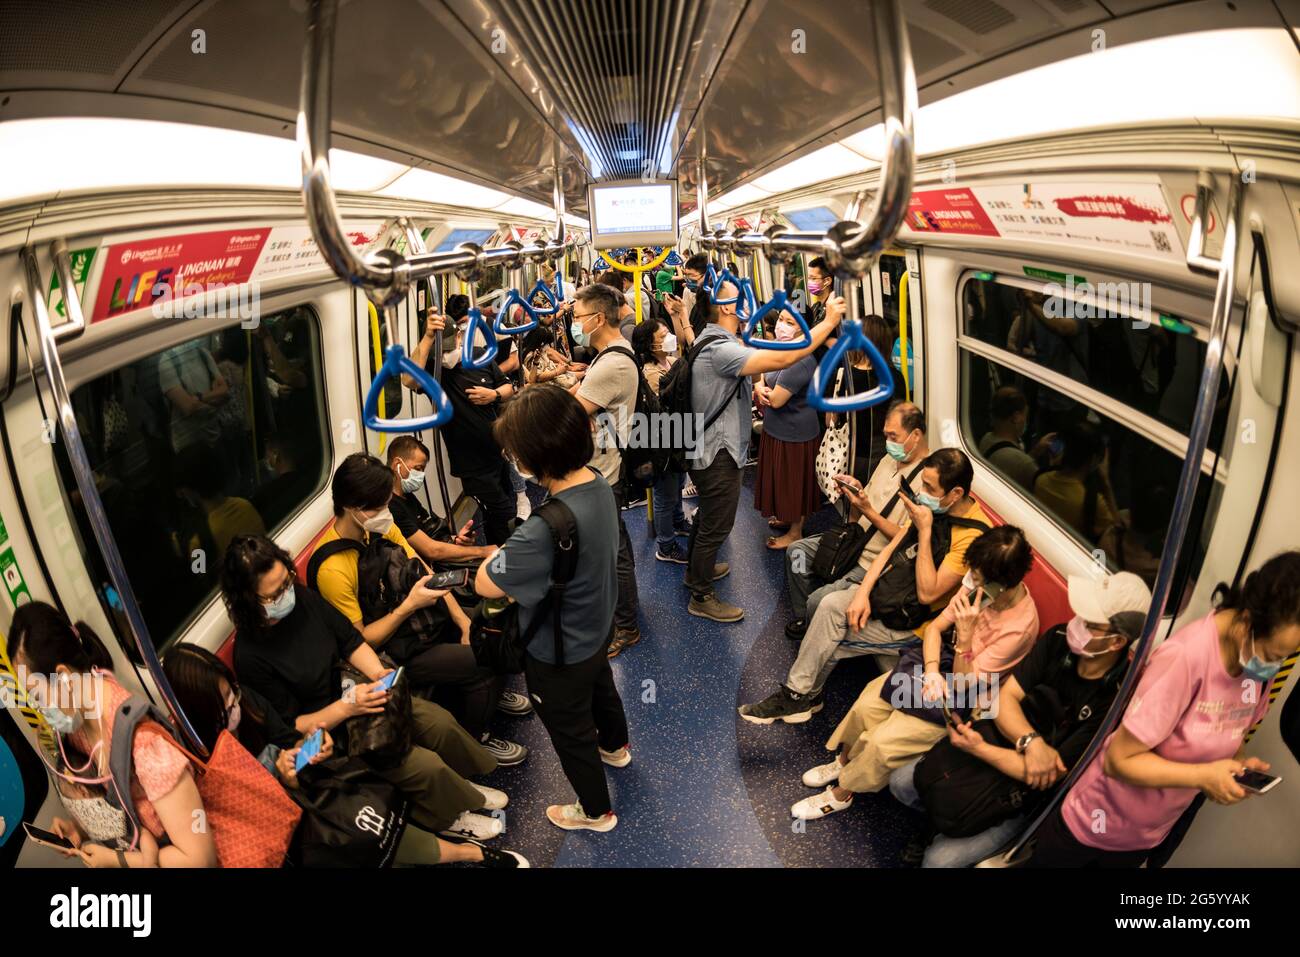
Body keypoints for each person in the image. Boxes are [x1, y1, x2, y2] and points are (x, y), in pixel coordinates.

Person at [224, 535, 506, 842]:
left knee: (439, 722)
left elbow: (349, 640)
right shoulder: (251, 657)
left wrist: (378, 674)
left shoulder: (302, 599)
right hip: (323, 734)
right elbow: (288, 727)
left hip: (354, 690)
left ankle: (460, 785)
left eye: (287, 581)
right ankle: (450, 815)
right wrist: (347, 707)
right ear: (249, 600)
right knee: (422, 766)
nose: (286, 593)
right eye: (274, 594)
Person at [1029, 550, 1300, 867]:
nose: (1273, 665)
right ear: (1246, 622)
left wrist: (1237, 765)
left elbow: (1233, 731)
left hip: (1145, 835)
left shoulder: (1257, 671)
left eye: (1284, 657)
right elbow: (1119, 760)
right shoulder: (1185, 658)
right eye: (1273, 654)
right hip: (1095, 826)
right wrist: (1203, 777)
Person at [162, 643, 528, 867]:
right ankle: (466, 851)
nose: (235, 705)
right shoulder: (198, 759)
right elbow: (246, 807)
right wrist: (284, 778)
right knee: (366, 828)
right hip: (282, 817)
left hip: (307, 781)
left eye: (233, 695)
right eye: (225, 704)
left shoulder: (248, 703)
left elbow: (288, 736)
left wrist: (310, 748)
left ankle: (458, 823)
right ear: (200, 712)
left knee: (377, 799)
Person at [889, 571, 1151, 867]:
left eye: (1089, 624)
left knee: (938, 862)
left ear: (1116, 642)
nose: (1076, 625)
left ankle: (956, 823)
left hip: (1018, 787)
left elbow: (1046, 773)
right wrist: (1032, 743)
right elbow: (1006, 700)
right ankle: (940, 820)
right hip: (999, 736)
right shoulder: (1058, 640)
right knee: (900, 783)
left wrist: (980, 749)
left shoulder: (1113, 700)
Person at [789, 524, 1038, 821]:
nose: (970, 581)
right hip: (941, 665)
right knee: (869, 703)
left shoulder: (1019, 628)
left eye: (977, 578)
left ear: (1002, 585)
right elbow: (935, 629)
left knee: (883, 743)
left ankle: (843, 792)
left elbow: (964, 684)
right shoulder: (979, 586)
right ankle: (844, 760)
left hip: (968, 694)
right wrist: (931, 671)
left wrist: (965, 638)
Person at [475, 386, 631, 832]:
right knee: (603, 691)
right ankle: (616, 748)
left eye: (515, 451)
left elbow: (487, 583)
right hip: (596, 628)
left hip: (557, 652)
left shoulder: (543, 530)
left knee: (570, 731)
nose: (512, 459)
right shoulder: (597, 483)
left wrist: (494, 556)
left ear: (536, 456)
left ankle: (595, 812)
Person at [741, 448, 990, 722]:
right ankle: (801, 696)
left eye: (930, 488)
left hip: (915, 621)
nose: (922, 493)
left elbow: (928, 593)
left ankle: (800, 696)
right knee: (829, 604)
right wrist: (861, 593)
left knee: (828, 638)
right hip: (892, 592)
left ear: (955, 493)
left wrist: (926, 531)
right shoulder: (937, 506)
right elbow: (891, 550)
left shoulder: (973, 537)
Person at [311, 453, 526, 764]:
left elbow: (424, 571)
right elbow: (360, 641)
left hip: (419, 619)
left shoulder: (377, 528)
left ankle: (489, 695)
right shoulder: (332, 568)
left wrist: (461, 621)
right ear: (353, 508)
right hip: (393, 649)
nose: (386, 513)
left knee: (492, 626)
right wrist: (409, 605)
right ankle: (475, 739)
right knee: (484, 660)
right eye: (379, 507)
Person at [683, 282, 845, 623]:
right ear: (727, 307)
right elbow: (786, 356)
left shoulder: (714, 340)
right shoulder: (721, 350)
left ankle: (699, 569)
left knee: (708, 516)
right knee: (717, 524)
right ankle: (701, 594)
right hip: (718, 452)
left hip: (708, 446)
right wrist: (829, 321)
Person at [12, 602, 219, 867]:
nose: (41, 709)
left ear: (63, 677)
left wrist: (116, 860)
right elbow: (119, 806)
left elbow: (200, 860)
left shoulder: (144, 745)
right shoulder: (78, 727)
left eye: (39, 696)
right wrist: (80, 828)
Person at [784, 401, 929, 639]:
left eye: (893, 436)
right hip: (856, 540)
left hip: (874, 558)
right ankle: (805, 617)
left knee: (818, 601)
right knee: (796, 553)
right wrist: (856, 489)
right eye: (886, 435)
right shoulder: (889, 459)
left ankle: (813, 615)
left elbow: (907, 537)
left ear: (915, 435)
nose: (888, 443)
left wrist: (867, 510)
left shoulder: (927, 481)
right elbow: (868, 499)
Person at [566, 283, 645, 656]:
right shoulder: (610, 354)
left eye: (578, 316)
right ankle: (620, 612)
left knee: (612, 553)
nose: (574, 323)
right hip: (604, 463)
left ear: (598, 319)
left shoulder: (612, 363)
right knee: (612, 546)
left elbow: (566, 413)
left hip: (603, 472)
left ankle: (626, 626)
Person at [402, 298, 517, 545]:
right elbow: (408, 380)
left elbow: (508, 387)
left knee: (502, 508)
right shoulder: (435, 372)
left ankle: (498, 555)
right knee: (505, 513)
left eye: (448, 347)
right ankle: (508, 556)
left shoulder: (479, 356)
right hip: (471, 463)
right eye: (440, 350)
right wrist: (427, 338)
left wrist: (493, 395)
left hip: (497, 451)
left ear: (458, 338)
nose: (446, 355)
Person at [753, 315, 822, 549]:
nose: (782, 326)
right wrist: (760, 387)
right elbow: (760, 370)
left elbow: (777, 400)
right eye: (781, 319)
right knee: (782, 482)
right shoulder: (781, 347)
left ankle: (795, 532)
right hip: (778, 427)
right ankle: (787, 516)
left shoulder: (801, 359)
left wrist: (764, 391)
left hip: (795, 433)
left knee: (794, 484)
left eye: (790, 323)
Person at [631, 317, 692, 564]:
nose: (669, 338)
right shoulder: (650, 374)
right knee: (665, 495)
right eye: (663, 335)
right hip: (663, 442)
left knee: (678, 483)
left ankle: (678, 521)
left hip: (678, 435)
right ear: (650, 345)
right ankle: (665, 546)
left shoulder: (672, 362)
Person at [385, 436, 496, 567]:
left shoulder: (408, 497)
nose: (421, 475)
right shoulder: (391, 507)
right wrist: (482, 551)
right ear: (397, 464)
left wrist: (455, 540)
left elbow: (429, 534)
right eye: (418, 468)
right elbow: (431, 550)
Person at [830, 313, 897, 484]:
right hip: (884, 452)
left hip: (851, 452)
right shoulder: (895, 377)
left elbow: (831, 419)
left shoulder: (844, 376)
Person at [1031, 419, 1119, 544]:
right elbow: (1116, 534)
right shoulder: (1093, 502)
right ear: (1094, 459)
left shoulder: (1041, 479)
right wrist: (1106, 481)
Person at [158, 337, 228, 452]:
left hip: (214, 434)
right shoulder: (167, 362)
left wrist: (199, 398)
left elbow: (224, 389)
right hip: (189, 444)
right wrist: (215, 398)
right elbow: (188, 407)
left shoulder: (202, 352)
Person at [979, 386, 1052, 491]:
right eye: (1025, 415)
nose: (1025, 421)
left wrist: (1036, 451)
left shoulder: (986, 439)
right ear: (1016, 417)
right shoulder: (1025, 465)